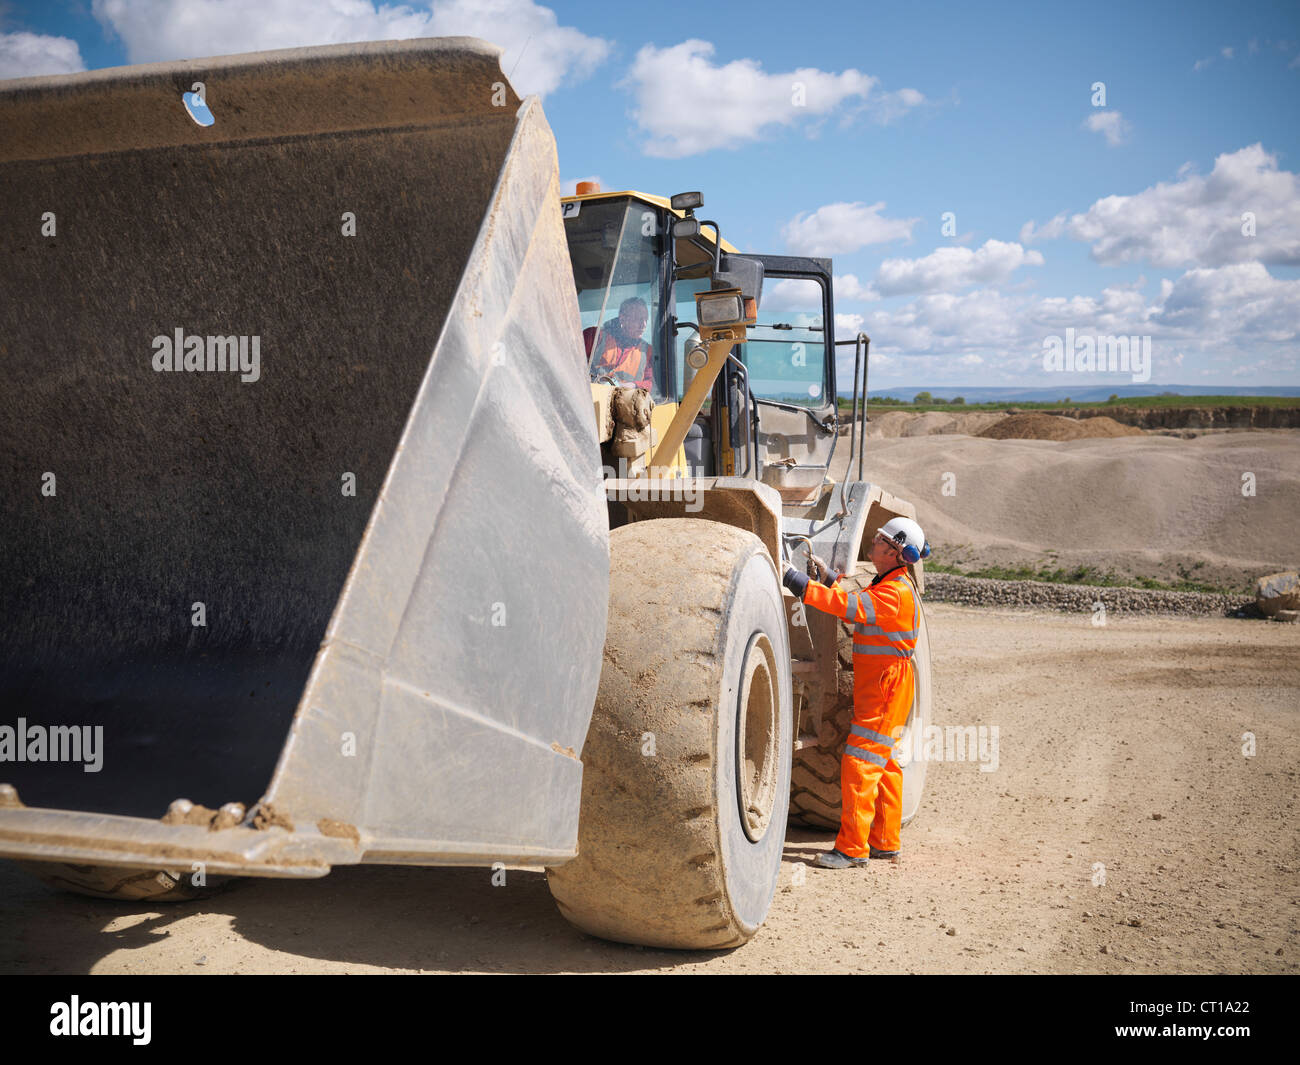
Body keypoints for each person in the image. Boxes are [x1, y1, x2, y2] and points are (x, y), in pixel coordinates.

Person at [782, 517, 930, 869]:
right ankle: (884, 841)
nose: (874, 542)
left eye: (881, 540)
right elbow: (863, 600)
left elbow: (851, 609)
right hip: (888, 686)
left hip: (884, 690)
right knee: (886, 762)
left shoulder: (895, 593)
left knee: (861, 762)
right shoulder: (890, 584)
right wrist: (828, 578)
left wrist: (795, 580)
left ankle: (851, 849)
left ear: (896, 553)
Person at [586, 296, 654, 391]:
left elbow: (651, 384)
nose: (643, 325)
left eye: (646, 319)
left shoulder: (648, 352)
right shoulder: (594, 336)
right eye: (638, 319)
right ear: (622, 319)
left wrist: (633, 385)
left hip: (626, 404)